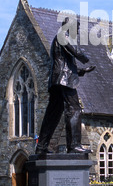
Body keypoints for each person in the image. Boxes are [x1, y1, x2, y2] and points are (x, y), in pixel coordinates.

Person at [35, 16, 95, 155]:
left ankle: (41, 147)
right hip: (64, 81)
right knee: (74, 109)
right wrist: (86, 59)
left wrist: (81, 71)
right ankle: (74, 146)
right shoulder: (63, 35)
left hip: (59, 80)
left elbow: (64, 64)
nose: (78, 32)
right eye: (77, 28)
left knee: (53, 115)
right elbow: (76, 51)